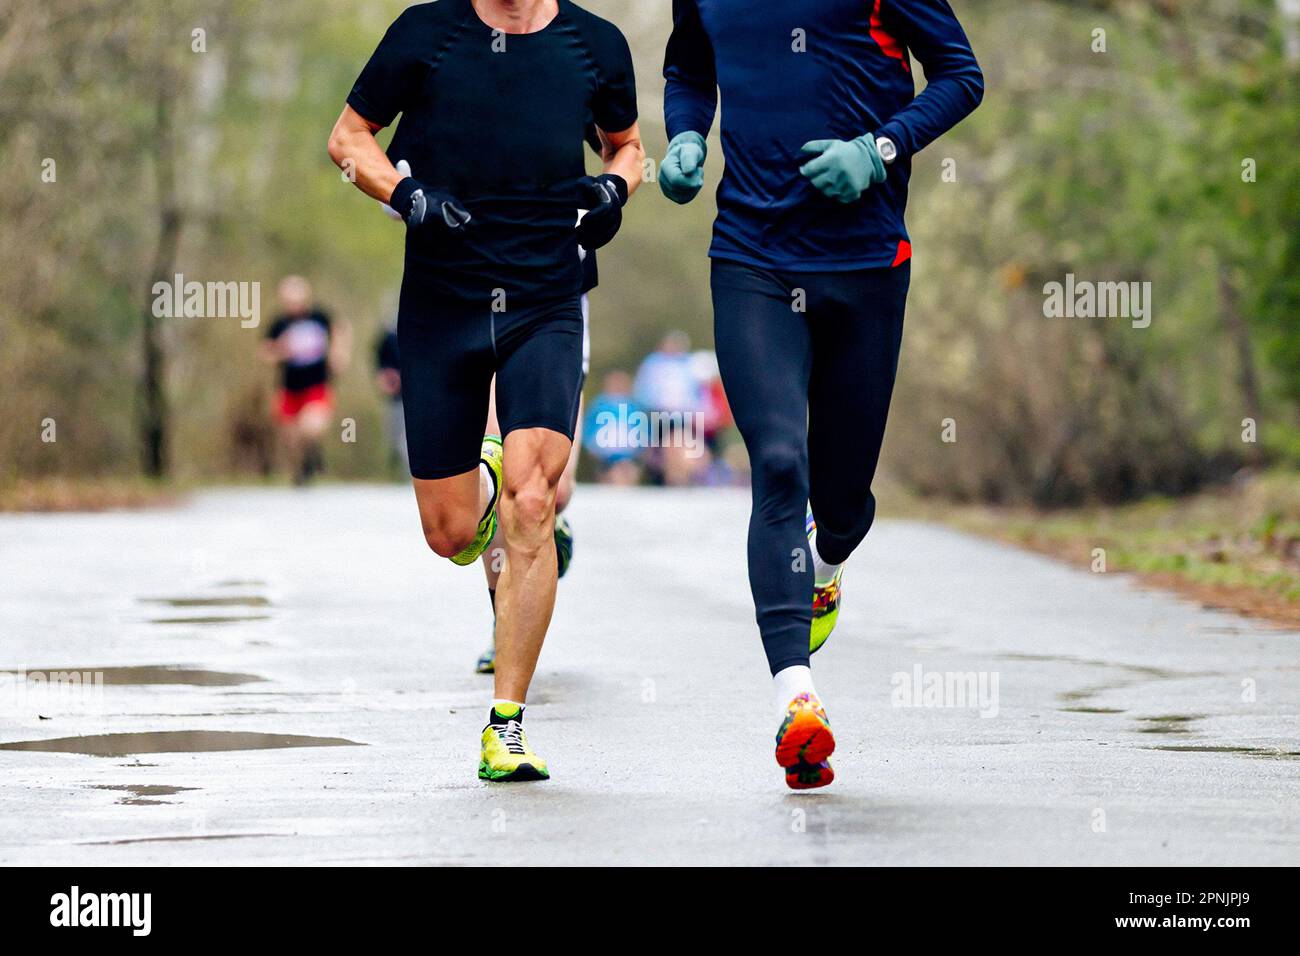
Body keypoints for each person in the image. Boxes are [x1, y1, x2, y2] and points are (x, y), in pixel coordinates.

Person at [661, 0, 983, 788]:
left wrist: (880, 149)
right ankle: (797, 700)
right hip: (751, 253)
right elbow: (688, 66)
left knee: (841, 502)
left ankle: (829, 557)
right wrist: (686, 135)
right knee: (776, 463)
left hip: (867, 261)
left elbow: (960, 75)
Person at [329, 0, 642, 782]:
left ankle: (507, 725)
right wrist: (406, 198)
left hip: (546, 299)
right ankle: (491, 474)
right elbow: (348, 139)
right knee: (451, 534)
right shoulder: (424, 35)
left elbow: (627, 146)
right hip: (442, 305)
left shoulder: (595, 44)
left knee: (534, 503)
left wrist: (613, 190)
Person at [260, 276, 350, 485]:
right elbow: (264, 352)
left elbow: (341, 329)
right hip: (289, 387)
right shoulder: (279, 323)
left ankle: (312, 454)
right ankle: (304, 466)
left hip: (316, 385)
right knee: (291, 438)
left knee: (310, 427)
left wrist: (339, 354)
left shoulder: (319, 317)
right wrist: (280, 351)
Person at [374, 323, 407, 474]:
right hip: (397, 397)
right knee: (397, 434)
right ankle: (401, 469)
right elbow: (380, 364)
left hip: (419, 394)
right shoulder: (388, 337)